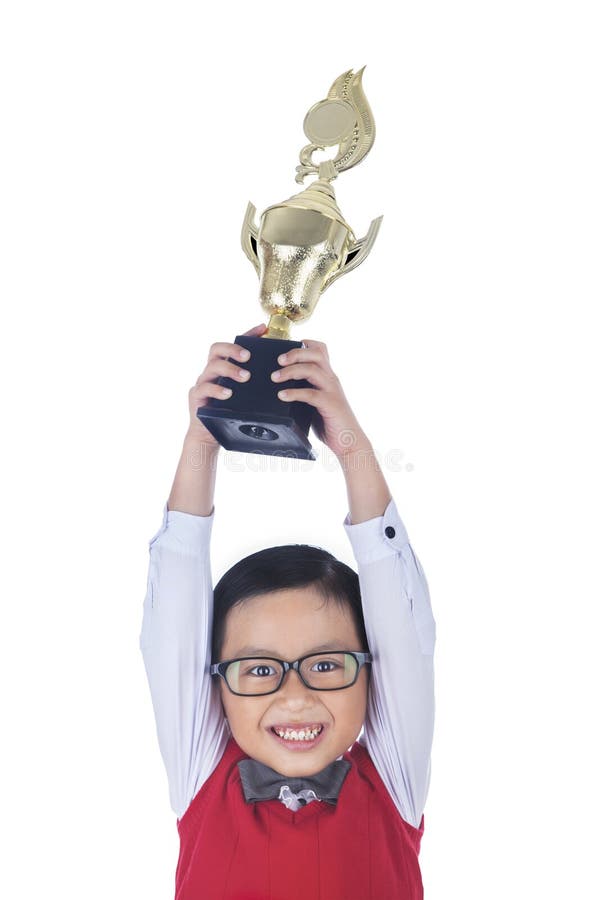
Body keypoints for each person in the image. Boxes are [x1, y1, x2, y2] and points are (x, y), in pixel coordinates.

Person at [139, 322, 436, 899]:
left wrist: (349, 443)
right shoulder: (203, 776)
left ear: (372, 671)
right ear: (215, 683)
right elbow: (171, 617)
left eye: (326, 665)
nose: (294, 697)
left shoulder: (393, 785)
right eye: (258, 669)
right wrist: (202, 438)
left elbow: (402, 622)